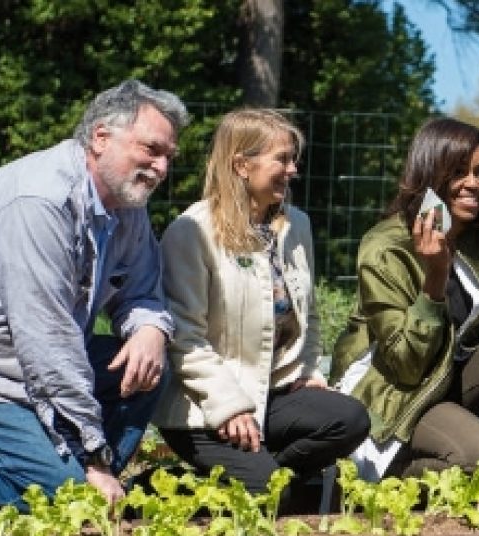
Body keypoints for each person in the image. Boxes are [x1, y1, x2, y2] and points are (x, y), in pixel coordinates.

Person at [0, 80, 190, 506]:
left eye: (168, 158)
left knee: (144, 368)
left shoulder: (127, 209)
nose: (161, 168)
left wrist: (150, 331)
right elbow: (47, 342)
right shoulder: (38, 201)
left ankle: (83, 488)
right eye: (151, 150)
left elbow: (144, 293)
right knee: (62, 491)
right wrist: (93, 456)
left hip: (11, 371)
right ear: (101, 137)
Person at [152, 109, 369, 498]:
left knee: (350, 419)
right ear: (241, 165)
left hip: (271, 398)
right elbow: (184, 337)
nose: (293, 170)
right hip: (205, 409)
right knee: (276, 493)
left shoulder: (295, 226)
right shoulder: (192, 232)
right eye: (282, 160)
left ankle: (260, 478)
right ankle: (163, 491)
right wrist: (229, 406)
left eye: (293, 159)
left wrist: (306, 371)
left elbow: (309, 312)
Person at [330, 117, 479, 480]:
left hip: (455, 382)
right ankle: (390, 474)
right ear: (430, 173)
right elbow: (405, 364)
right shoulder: (388, 245)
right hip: (399, 391)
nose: (473, 184)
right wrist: (435, 276)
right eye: (457, 172)